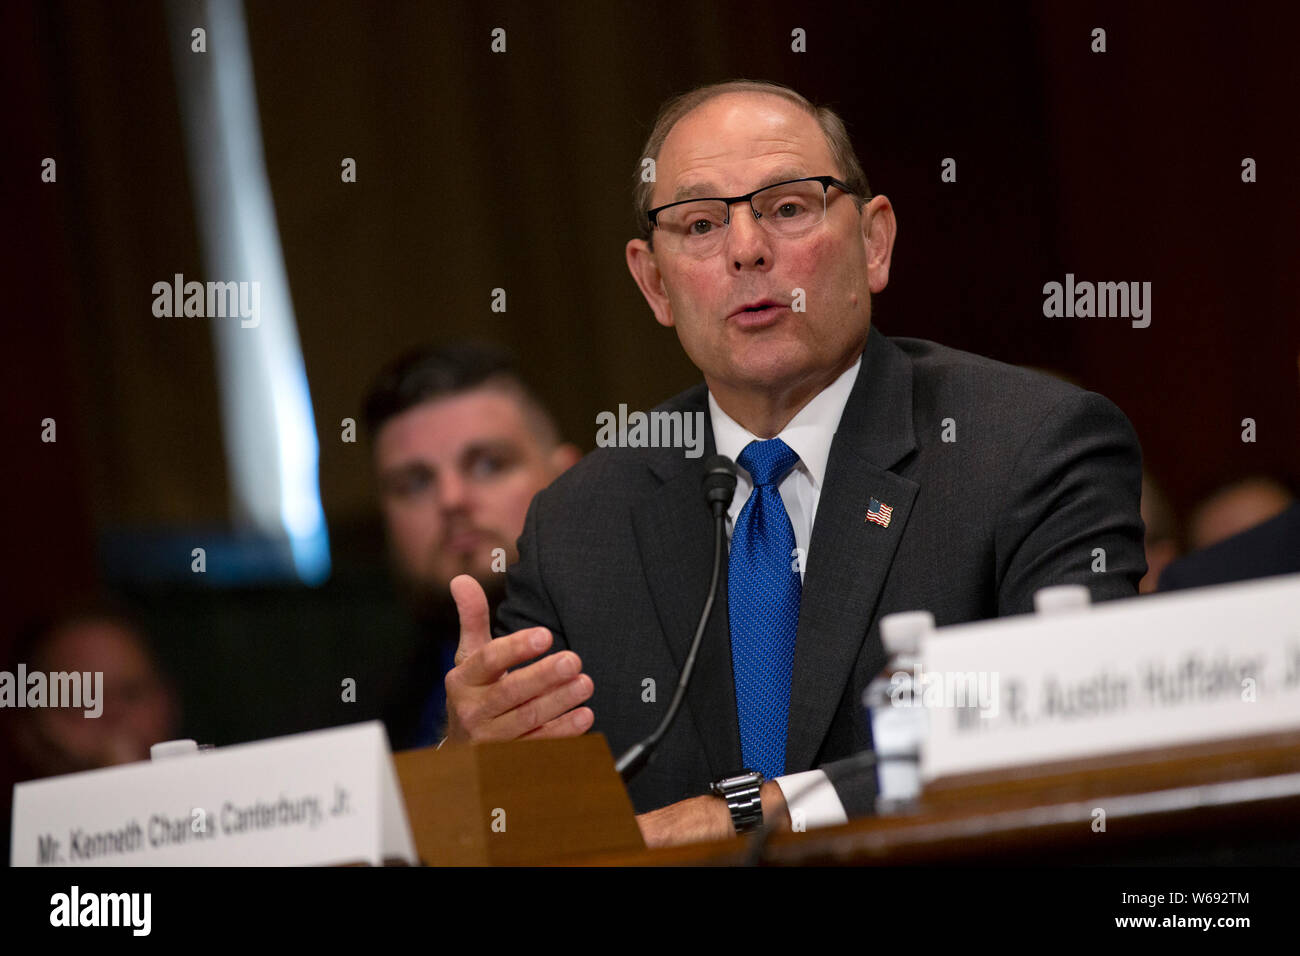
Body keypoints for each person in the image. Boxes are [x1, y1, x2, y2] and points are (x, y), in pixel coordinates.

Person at [441, 80, 1146, 847]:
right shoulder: (580, 522)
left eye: (786, 207)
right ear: (653, 282)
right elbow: (528, 832)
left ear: (874, 242)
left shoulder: (1026, 445)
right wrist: (474, 765)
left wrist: (751, 813)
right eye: (702, 223)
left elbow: (1074, 713)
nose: (747, 249)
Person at [362, 343, 580, 748]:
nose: (451, 499)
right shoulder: (360, 714)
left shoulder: (659, 658)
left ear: (567, 480)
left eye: (488, 464)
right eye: (414, 483)